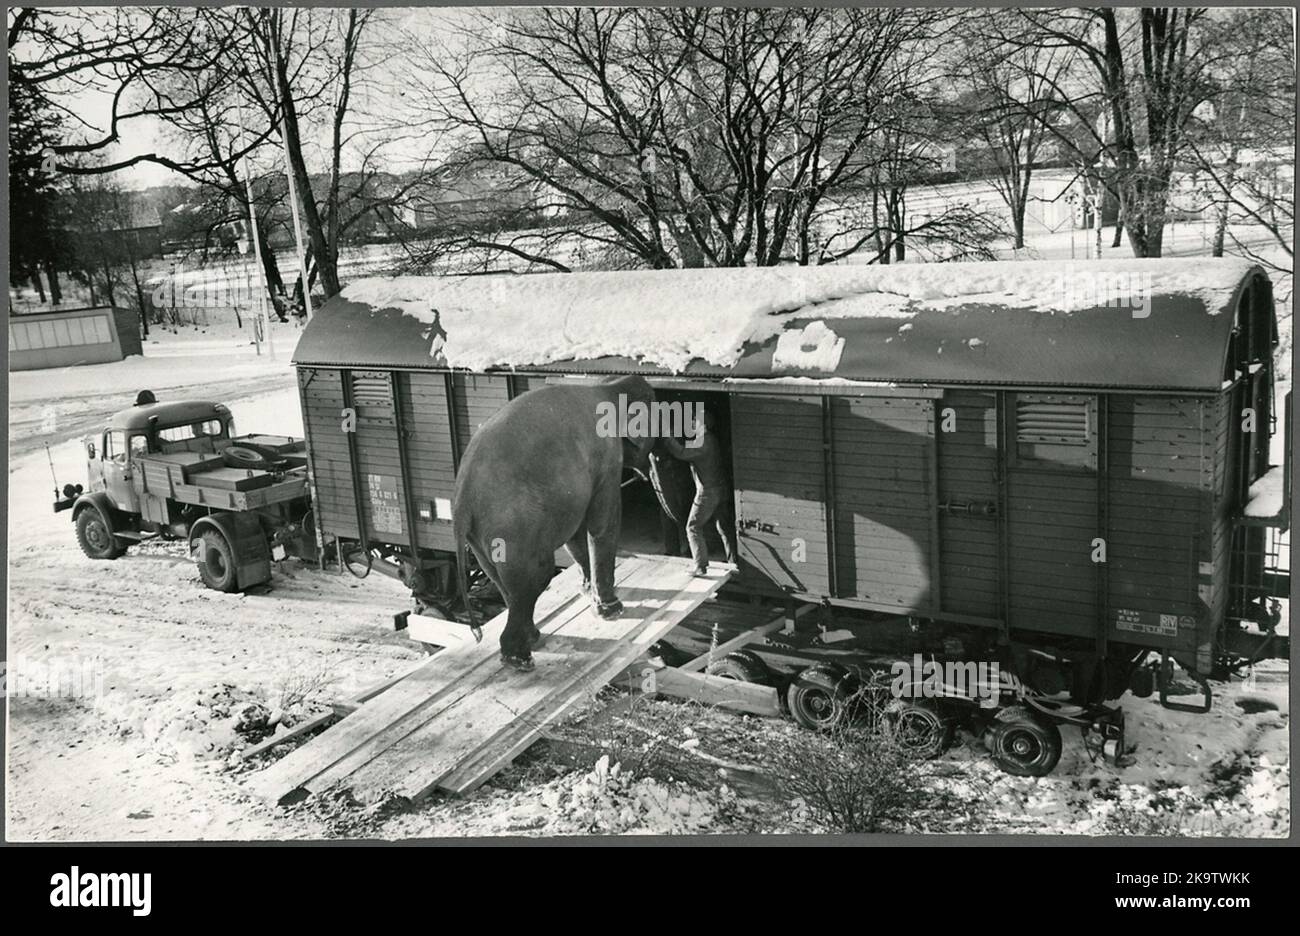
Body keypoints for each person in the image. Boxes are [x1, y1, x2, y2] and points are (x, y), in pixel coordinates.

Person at [662, 406, 737, 575]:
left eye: (694, 420)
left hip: (707, 493)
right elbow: (690, 448)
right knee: (724, 527)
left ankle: (700, 566)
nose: (692, 423)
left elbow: (681, 453)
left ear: (702, 424)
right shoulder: (711, 439)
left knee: (692, 527)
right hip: (721, 489)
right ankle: (734, 562)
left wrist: (666, 436)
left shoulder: (702, 441)